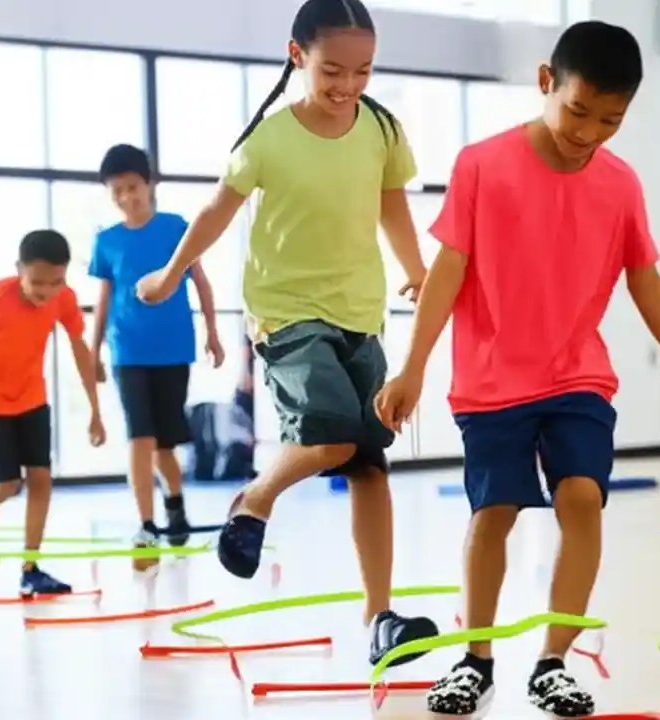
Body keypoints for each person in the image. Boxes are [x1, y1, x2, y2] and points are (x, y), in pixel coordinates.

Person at [374, 21, 660, 717]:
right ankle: (477, 657)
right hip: (492, 378)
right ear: (544, 83)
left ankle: (553, 661)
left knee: (582, 498)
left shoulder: (620, 185)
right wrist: (411, 369)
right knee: (493, 512)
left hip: (577, 373)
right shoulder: (482, 165)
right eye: (578, 111)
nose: (589, 132)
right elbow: (447, 272)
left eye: (611, 120)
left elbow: (646, 280)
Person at [133, 0, 440, 667]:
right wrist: (170, 275)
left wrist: (417, 269)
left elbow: (392, 205)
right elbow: (218, 211)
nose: (348, 85)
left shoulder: (381, 129)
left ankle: (379, 617)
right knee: (329, 433)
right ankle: (257, 498)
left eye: (363, 71)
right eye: (333, 70)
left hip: (359, 312)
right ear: (297, 56)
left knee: (366, 463)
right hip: (285, 309)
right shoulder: (268, 139)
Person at [89, 143, 224, 569]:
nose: (127, 197)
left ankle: (175, 504)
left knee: (164, 443)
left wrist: (214, 333)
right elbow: (103, 300)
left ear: (149, 184)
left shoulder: (175, 228)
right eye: (117, 191)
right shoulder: (106, 241)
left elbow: (200, 281)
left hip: (173, 347)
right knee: (139, 437)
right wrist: (93, 353)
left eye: (133, 187)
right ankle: (146, 525)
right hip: (127, 350)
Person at [0, 230, 105, 595]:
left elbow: (79, 348)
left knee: (40, 478)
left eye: (56, 282)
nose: (46, 291)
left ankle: (30, 566)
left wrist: (94, 410)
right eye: (37, 282)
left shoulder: (62, 298)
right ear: (18, 269)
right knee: (7, 482)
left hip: (32, 397)